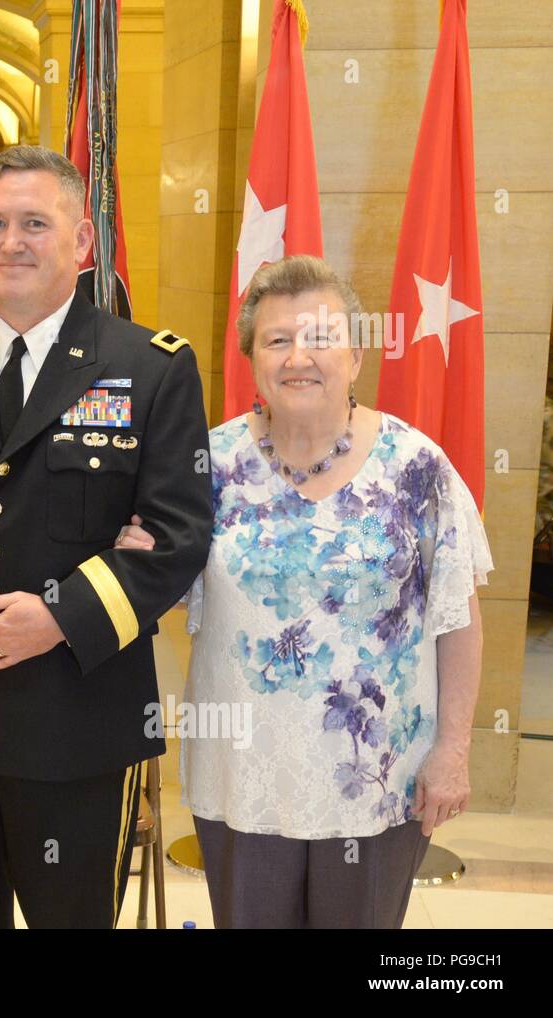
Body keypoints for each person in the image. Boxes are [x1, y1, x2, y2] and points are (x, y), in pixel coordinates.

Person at [0, 145, 213, 928]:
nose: (11, 241)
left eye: (34, 223)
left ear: (83, 242)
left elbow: (176, 532)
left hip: (77, 713)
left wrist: (62, 616)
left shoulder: (149, 368)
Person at [119, 255, 491, 928]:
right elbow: (159, 589)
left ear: (354, 355)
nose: (299, 357)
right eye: (278, 340)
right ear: (252, 360)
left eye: (320, 338)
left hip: (377, 780)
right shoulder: (206, 466)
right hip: (246, 779)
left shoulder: (417, 468)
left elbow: (458, 618)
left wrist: (454, 751)